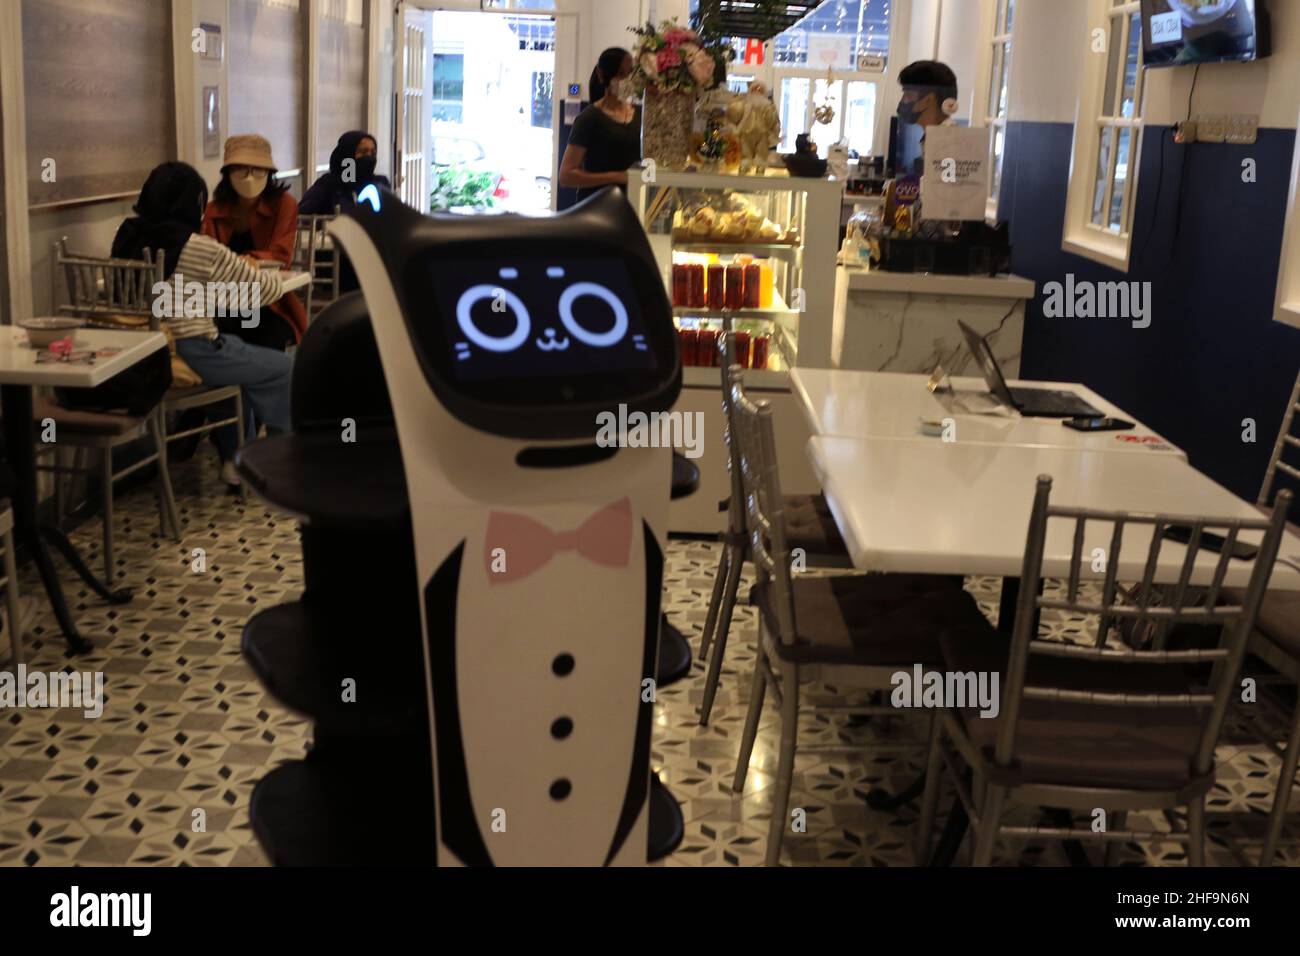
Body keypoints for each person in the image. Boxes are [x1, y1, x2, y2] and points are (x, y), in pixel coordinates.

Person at [113, 162, 295, 489]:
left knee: (239, 366)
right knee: (284, 366)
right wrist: (256, 270)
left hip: (134, 357)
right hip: (190, 352)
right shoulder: (199, 247)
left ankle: (238, 459)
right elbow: (265, 290)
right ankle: (283, 459)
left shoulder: (126, 236)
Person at [201, 134, 307, 351]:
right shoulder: (214, 209)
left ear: (269, 173)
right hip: (224, 301)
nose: (249, 178)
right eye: (240, 169)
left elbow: (281, 256)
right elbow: (207, 257)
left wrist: (248, 260)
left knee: (265, 333)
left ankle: (266, 378)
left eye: (257, 170)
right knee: (209, 331)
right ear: (228, 174)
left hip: (269, 300)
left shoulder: (284, 204)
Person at [559, 47, 640, 202]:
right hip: (597, 208)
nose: (628, 80)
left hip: (633, 206)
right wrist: (617, 177)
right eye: (621, 75)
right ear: (602, 76)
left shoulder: (639, 115)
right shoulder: (588, 118)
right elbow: (566, 176)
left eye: (631, 74)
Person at [300, 130, 390, 214]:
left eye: (373, 153)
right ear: (347, 155)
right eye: (363, 151)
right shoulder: (328, 186)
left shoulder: (380, 184)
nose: (369, 156)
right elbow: (301, 219)